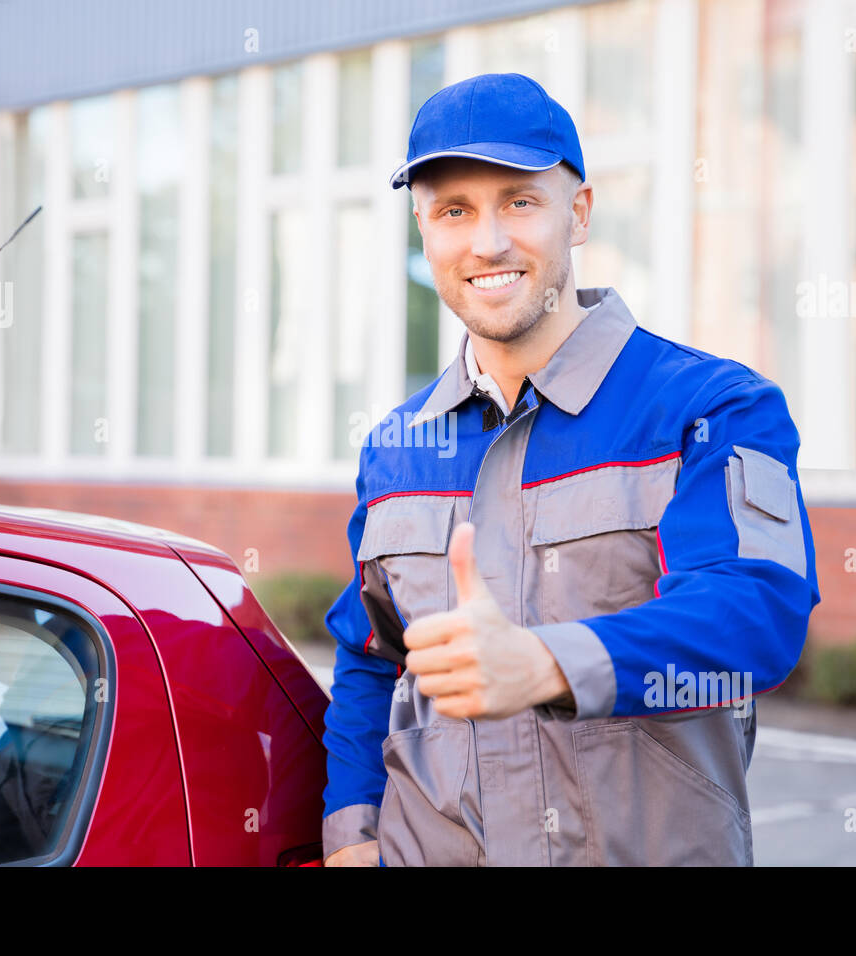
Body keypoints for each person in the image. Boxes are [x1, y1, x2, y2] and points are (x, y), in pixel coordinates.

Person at [321, 72, 821, 866]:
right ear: (424, 231)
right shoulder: (396, 445)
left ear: (578, 213)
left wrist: (549, 662)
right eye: (454, 210)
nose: (487, 243)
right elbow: (371, 654)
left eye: (520, 201)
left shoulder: (711, 406)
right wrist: (351, 829)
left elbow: (756, 614)